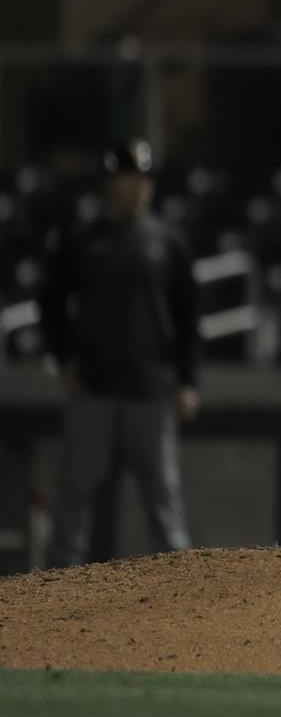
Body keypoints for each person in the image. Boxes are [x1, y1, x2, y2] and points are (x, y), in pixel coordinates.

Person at [38, 140, 200, 567]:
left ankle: (181, 585)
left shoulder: (168, 241)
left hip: (151, 390)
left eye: (144, 178)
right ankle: (58, 583)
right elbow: (51, 302)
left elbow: (187, 316)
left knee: (164, 497)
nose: (139, 187)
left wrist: (188, 381)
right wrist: (64, 359)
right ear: (110, 183)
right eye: (129, 177)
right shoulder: (81, 238)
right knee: (74, 493)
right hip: (94, 388)